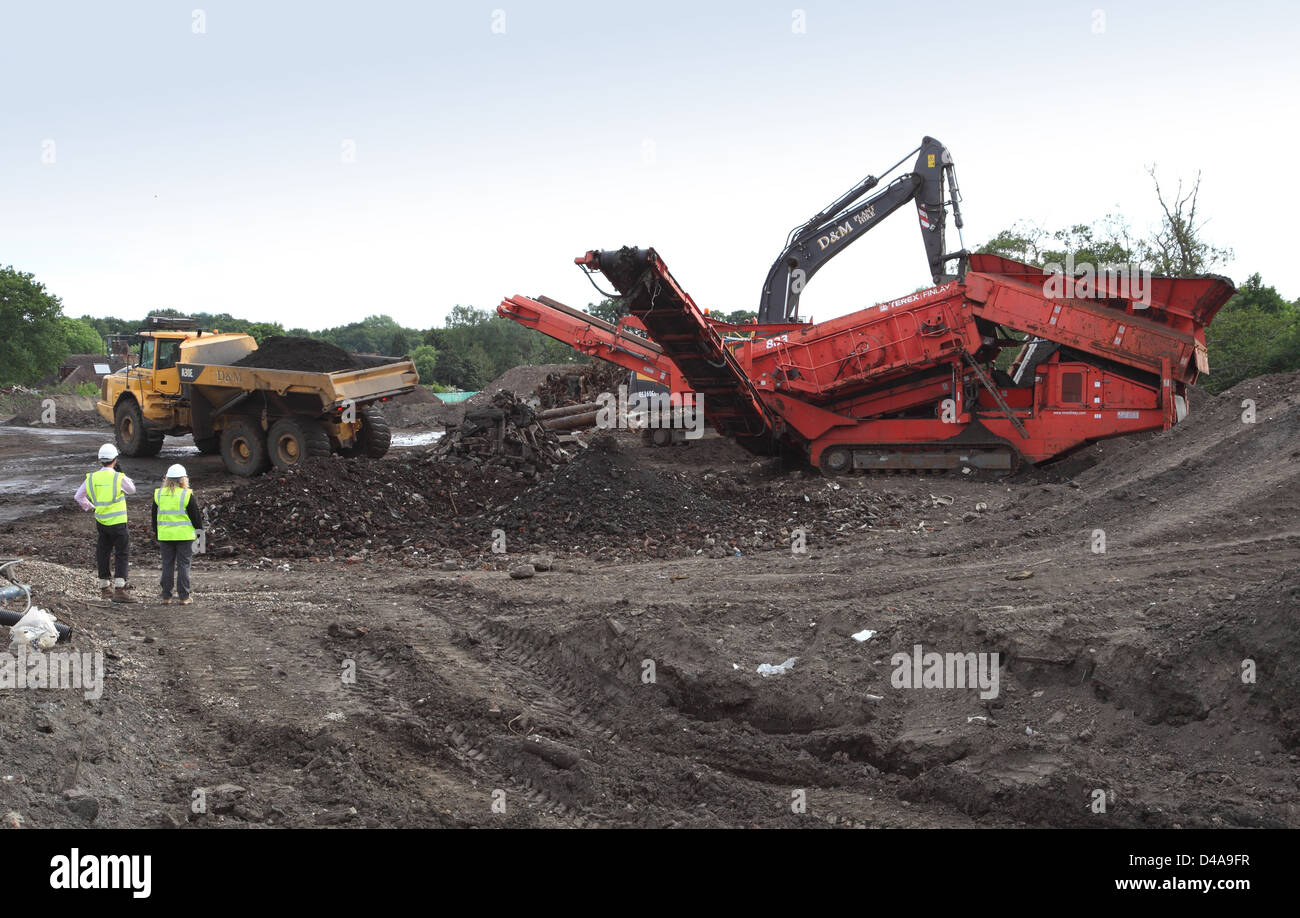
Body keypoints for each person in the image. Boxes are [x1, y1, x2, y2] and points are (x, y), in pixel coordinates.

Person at [74, 443, 138, 603]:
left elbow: (78, 496)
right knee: (121, 553)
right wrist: (121, 474)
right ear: (115, 459)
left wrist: (91, 506)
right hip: (118, 523)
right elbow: (132, 490)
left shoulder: (92, 478)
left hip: (101, 522)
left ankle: (105, 588)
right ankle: (120, 589)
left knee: (103, 552)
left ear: (99, 459)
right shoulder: (118, 477)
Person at [151, 463, 202, 606]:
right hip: (185, 537)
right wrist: (200, 537)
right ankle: (184, 597)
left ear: (167, 479)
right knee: (183, 566)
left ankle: (166, 597)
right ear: (183, 479)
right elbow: (196, 518)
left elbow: (154, 517)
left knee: (167, 565)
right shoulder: (186, 495)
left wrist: (157, 534)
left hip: (166, 536)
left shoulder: (159, 494)